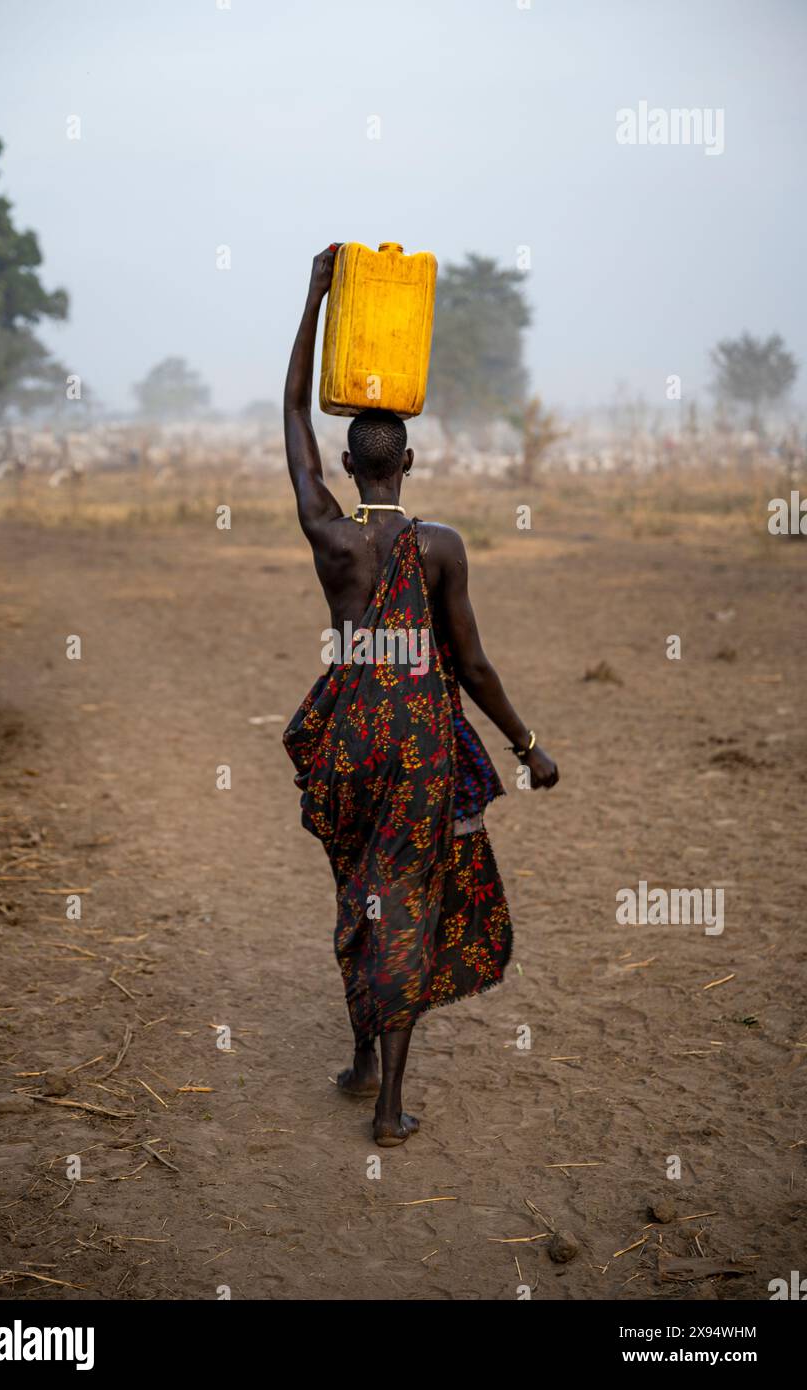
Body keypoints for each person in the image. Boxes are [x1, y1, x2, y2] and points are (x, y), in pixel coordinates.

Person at [283, 245, 559, 1147]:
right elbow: (472, 665)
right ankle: (391, 1106)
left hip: (347, 742)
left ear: (350, 464)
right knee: (403, 901)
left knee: (354, 890)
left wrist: (318, 295)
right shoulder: (440, 544)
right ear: (411, 454)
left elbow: (291, 412)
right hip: (419, 746)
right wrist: (526, 746)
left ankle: (363, 1063)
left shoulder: (328, 533)